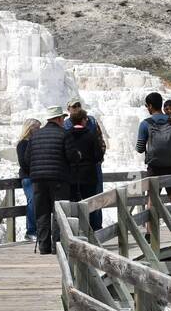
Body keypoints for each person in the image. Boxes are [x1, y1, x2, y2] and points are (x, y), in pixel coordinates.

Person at [21, 105, 81, 254]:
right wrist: (78, 155)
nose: (64, 121)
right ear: (59, 119)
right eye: (63, 118)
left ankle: (43, 246)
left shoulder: (35, 136)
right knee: (58, 212)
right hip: (59, 179)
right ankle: (57, 246)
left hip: (38, 180)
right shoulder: (65, 134)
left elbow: (27, 159)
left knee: (42, 212)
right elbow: (72, 157)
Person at [136, 92, 171, 224]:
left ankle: (150, 232)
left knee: (152, 200)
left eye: (147, 106)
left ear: (150, 106)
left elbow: (140, 148)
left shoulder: (145, 123)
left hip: (154, 167)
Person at [65, 98, 106, 228]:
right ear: (68, 110)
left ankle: (95, 228)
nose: (76, 108)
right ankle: (78, 230)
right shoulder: (65, 125)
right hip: (78, 170)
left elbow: (101, 143)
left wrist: (97, 160)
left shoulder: (92, 121)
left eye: (78, 105)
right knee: (78, 201)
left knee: (95, 198)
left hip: (90, 169)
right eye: (73, 106)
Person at [16, 118, 41, 240]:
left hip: (37, 176)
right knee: (32, 202)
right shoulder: (23, 143)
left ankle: (38, 230)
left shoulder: (35, 142)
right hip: (28, 177)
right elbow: (23, 163)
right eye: (37, 128)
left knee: (39, 202)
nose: (39, 130)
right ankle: (30, 231)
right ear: (30, 128)